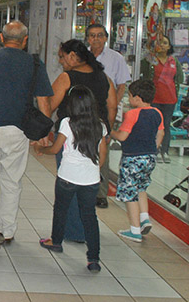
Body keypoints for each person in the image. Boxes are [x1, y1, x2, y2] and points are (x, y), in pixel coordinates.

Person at [0, 21, 53, 251]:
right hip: (18, 129)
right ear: (25, 40)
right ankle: (7, 230)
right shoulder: (34, 63)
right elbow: (43, 99)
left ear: (0, 37)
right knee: (11, 180)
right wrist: (45, 133)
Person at [33, 85, 107, 272]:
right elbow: (102, 157)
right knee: (89, 217)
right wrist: (91, 171)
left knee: (61, 210)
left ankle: (56, 242)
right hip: (90, 181)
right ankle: (93, 259)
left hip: (67, 178)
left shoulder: (67, 122)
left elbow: (56, 149)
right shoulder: (100, 125)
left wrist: (40, 149)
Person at [51, 40, 117, 213]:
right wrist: (107, 131)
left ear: (72, 56)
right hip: (96, 135)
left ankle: (72, 229)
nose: (60, 61)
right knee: (89, 183)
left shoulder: (67, 78)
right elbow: (112, 106)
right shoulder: (104, 77)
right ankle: (86, 227)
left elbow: (49, 105)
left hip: (69, 136)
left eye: (61, 57)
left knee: (68, 182)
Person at [110, 79, 164, 242]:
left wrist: (110, 132)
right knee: (141, 188)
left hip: (132, 157)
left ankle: (134, 230)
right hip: (149, 157)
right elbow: (160, 134)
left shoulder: (132, 114)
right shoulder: (157, 113)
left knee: (130, 194)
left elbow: (122, 136)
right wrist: (152, 149)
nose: (129, 99)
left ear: (138, 98)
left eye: (130, 96)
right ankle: (144, 219)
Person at [86, 23, 131, 207]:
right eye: (92, 36)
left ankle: (101, 193)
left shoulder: (116, 58)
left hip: (106, 110)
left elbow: (122, 85)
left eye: (99, 36)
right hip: (84, 109)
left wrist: (113, 104)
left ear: (105, 38)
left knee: (102, 147)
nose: (95, 39)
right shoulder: (82, 57)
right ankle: (84, 187)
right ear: (87, 38)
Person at [141, 34, 183, 163]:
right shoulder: (150, 61)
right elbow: (144, 77)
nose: (162, 45)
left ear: (169, 46)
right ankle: (154, 150)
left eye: (165, 43)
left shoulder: (174, 61)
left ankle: (165, 150)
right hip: (154, 98)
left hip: (169, 99)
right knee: (154, 125)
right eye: (159, 43)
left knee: (166, 125)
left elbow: (179, 78)